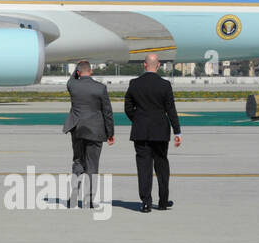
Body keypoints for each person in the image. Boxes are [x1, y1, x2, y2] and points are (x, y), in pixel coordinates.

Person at [124, 53, 183, 213]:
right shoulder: (165, 85)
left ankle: (145, 202)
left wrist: (138, 120)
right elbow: (171, 110)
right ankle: (163, 201)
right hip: (160, 131)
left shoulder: (134, 84)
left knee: (144, 167)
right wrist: (177, 131)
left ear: (144, 65)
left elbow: (128, 107)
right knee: (162, 165)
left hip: (141, 131)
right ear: (158, 65)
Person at [62, 60, 114, 208]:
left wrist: (77, 69)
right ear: (91, 71)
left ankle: (73, 196)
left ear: (78, 72)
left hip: (77, 128)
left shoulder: (73, 85)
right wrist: (110, 133)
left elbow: (71, 79)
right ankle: (89, 200)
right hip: (95, 130)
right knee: (92, 165)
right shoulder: (100, 88)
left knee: (78, 161)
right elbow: (107, 112)